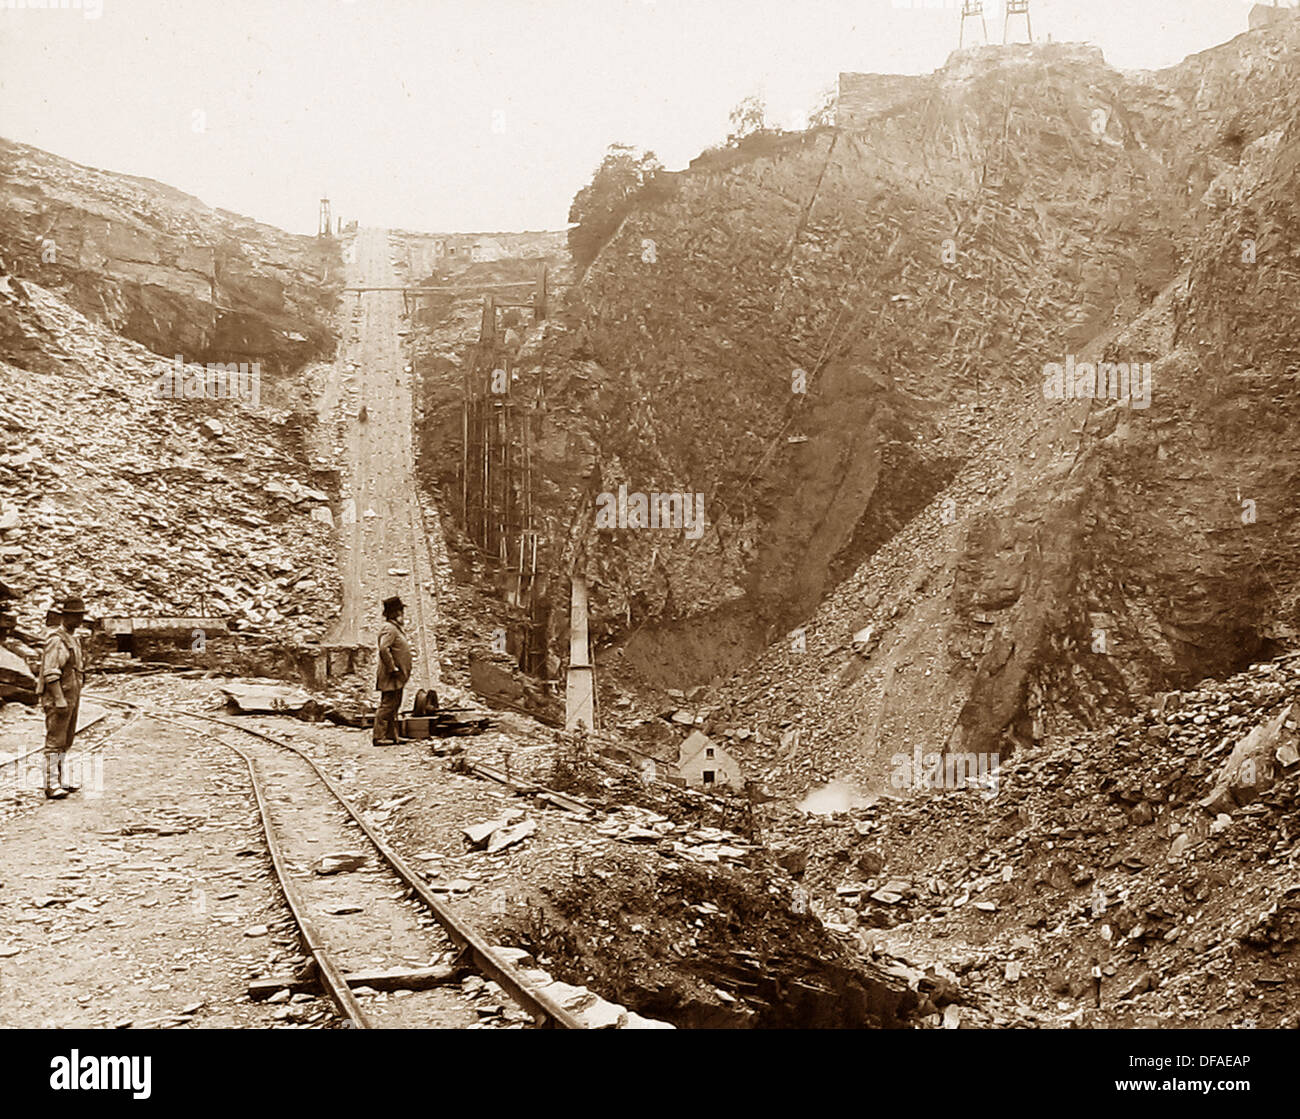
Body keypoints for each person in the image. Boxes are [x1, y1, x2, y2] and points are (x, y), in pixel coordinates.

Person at [36, 595, 87, 799]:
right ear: (65, 616)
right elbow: (51, 672)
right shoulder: (56, 640)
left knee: (65, 740)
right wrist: (59, 699)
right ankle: (50, 784)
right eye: (75, 616)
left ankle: (60, 779)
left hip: (71, 696)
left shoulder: (72, 638)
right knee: (55, 740)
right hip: (60, 697)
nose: (79, 620)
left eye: (81, 615)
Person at [373, 595, 412, 745]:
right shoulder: (389, 629)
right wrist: (392, 668)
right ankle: (379, 737)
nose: (403, 615)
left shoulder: (395, 628)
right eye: (401, 612)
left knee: (394, 705)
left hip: (397, 676)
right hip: (392, 675)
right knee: (387, 705)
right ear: (396, 613)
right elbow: (383, 648)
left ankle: (392, 736)